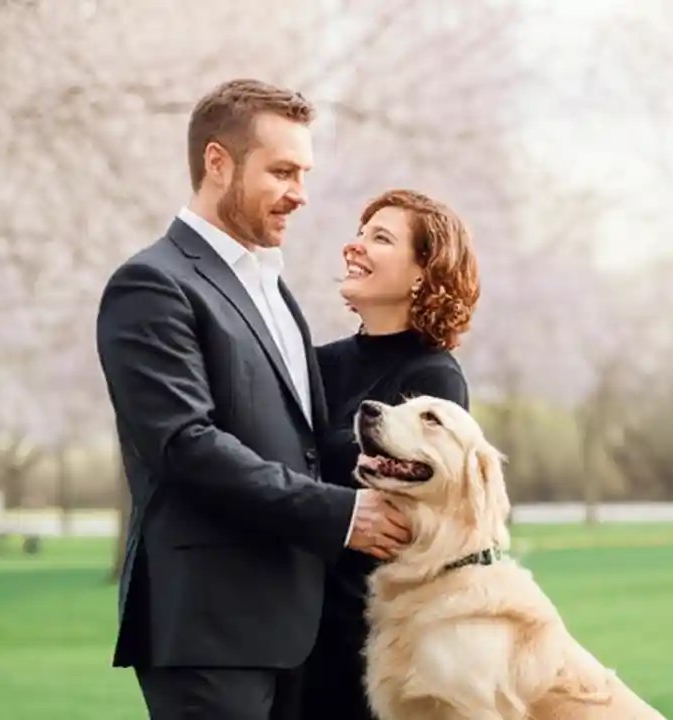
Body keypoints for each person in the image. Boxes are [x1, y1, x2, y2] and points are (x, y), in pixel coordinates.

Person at [95, 79, 412, 720]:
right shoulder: (152, 284)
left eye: (304, 172)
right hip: (208, 625)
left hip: (299, 627)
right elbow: (187, 446)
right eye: (283, 171)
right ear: (218, 163)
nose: (300, 193)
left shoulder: (276, 289)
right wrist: (343, 515)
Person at [299, 189, 481, 719]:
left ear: (424, 272)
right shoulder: (317, 364)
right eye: (360, 232)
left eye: (380, 237)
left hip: (360, 637)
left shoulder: (432, 381)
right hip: (291, 626)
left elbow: (412, 521)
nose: (354, 247)